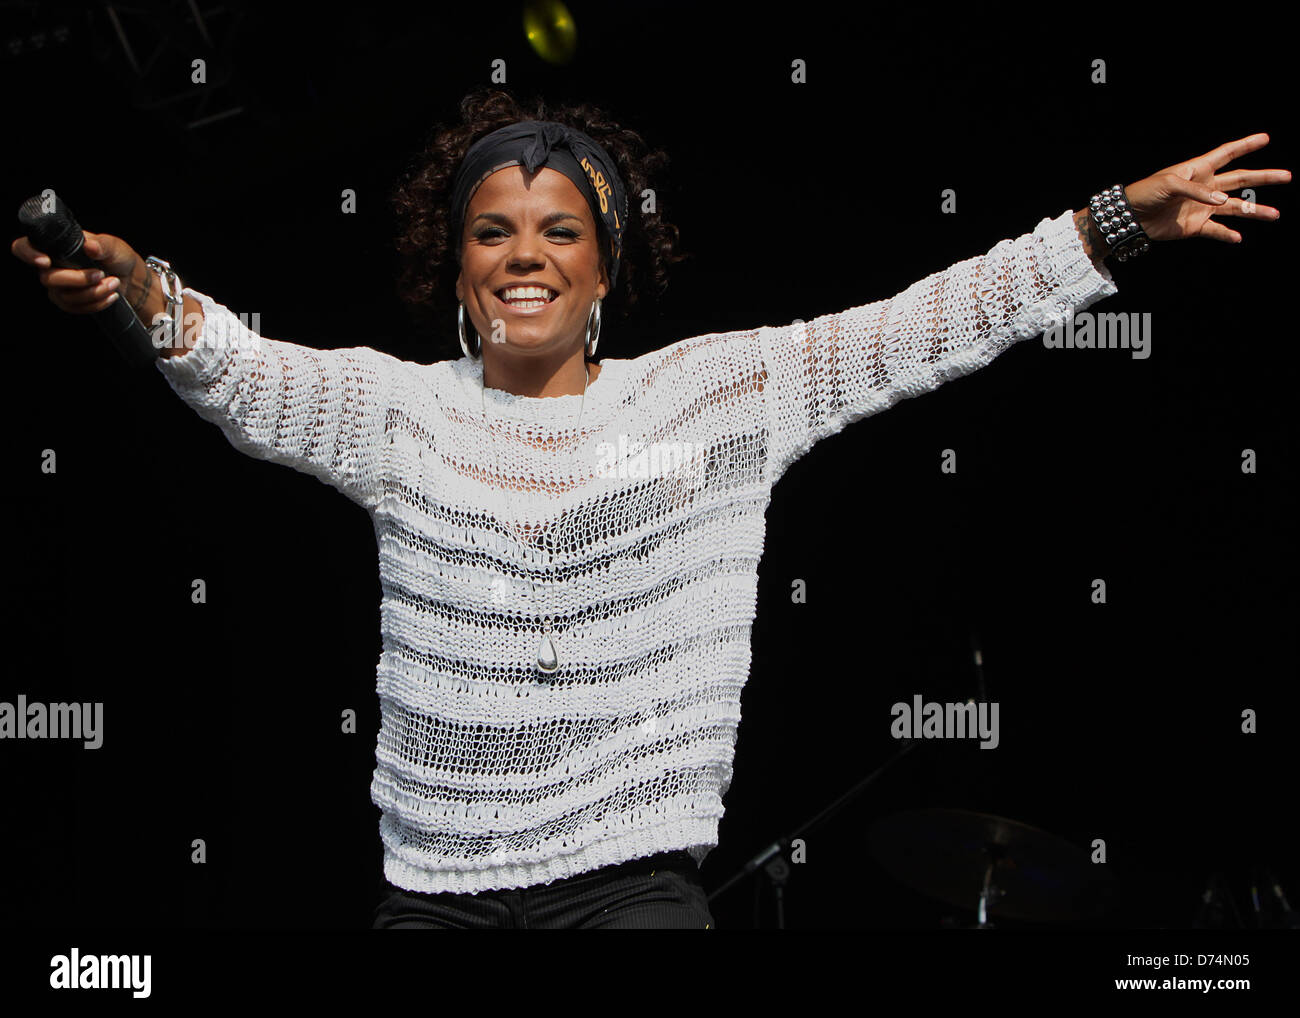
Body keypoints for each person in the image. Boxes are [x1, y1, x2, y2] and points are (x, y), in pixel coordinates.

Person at [12, 87, 1288, 929]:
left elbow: (921, 326)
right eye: (493, 230)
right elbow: (241, 368)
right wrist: (136, 286)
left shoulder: (715, 393)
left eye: (561, 231)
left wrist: (1114, 225)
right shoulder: (396, 410)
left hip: (629, 886)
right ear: (454, 263)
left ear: (606, 264)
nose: (525, 254)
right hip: (433, 895)